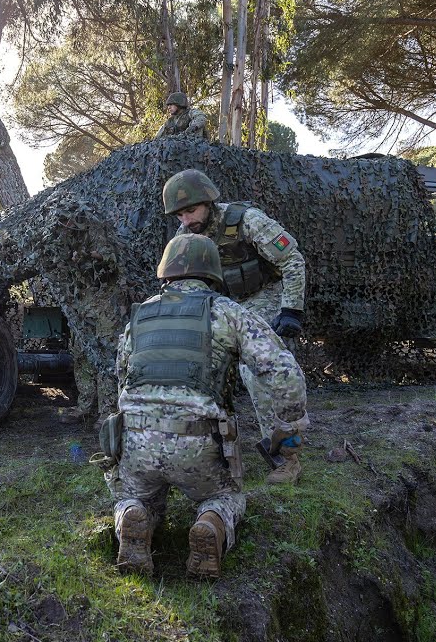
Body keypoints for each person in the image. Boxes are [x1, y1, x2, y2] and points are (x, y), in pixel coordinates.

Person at [111, 234, 309, 578]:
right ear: (214, 274)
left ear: (166, 274)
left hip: (137, 444)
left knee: (136, 495)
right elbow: (283, 371)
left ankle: (132, 514)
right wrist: (289, 426)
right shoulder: (228, 313)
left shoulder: (138, 318)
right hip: (200, 445)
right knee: (227, 497)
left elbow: (121, 379)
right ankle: (211, 523)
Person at [163, 168, 309, 484]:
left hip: (263, 296)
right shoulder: (184, 239)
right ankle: (208, 449)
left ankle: (286, 457)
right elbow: (179, 285)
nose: (186, 220)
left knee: (255, 370)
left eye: (191, 210)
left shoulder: (246, 220)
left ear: (208, 202)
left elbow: (292, 261)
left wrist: (291, 310)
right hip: (224, 304)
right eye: (180, 215)